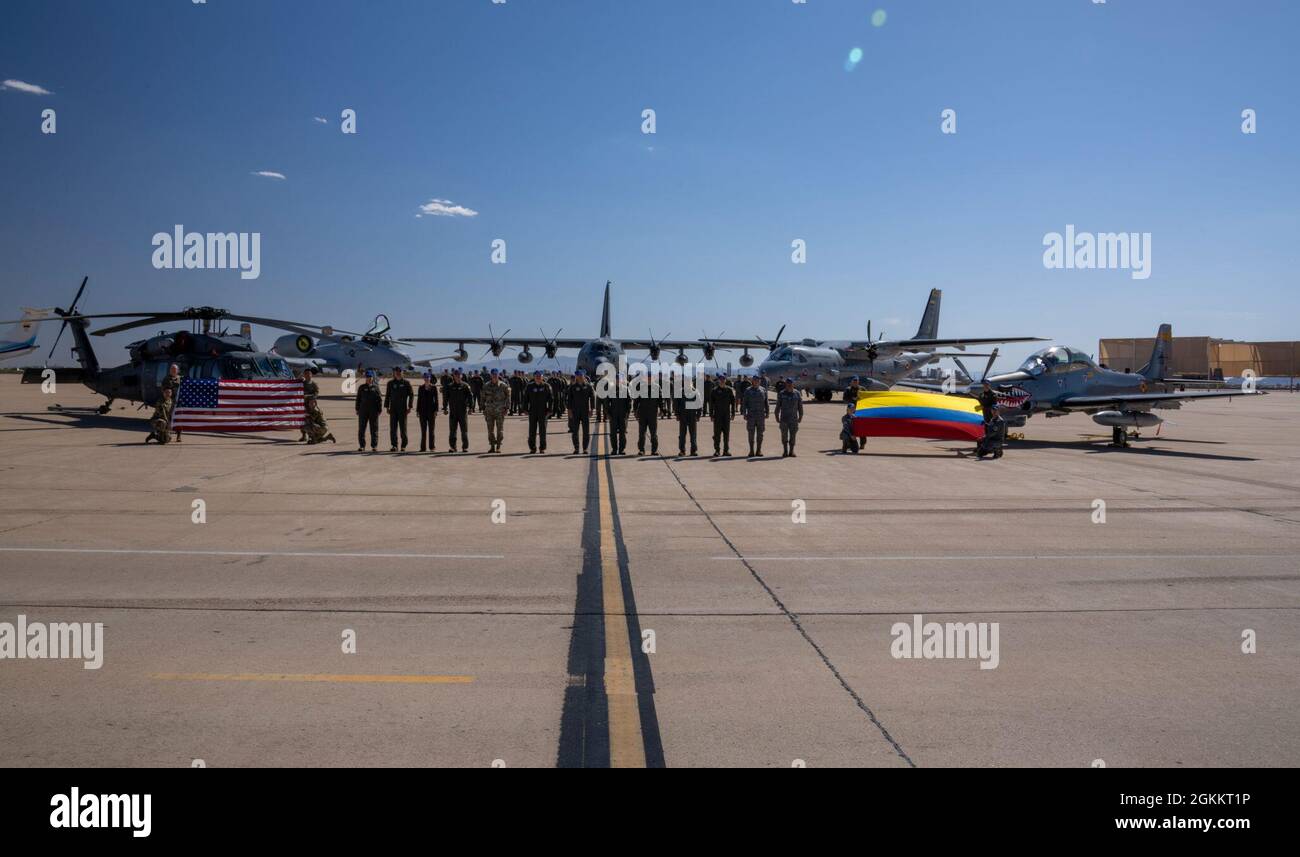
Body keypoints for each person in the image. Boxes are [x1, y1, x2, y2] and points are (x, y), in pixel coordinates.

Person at [302, 369, 335, 445]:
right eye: (306, 374)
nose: (308, 375)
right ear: (304, 375)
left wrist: (309, 397)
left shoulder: (314, 384)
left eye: (309, 374)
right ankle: (305, 435)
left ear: (311, 375)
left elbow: (316, 393)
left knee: (308, 422)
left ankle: (314, 437)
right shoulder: (302, 383)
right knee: (304, 420)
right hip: (305, 404)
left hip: (311, 403)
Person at [481, 367, 510, 453]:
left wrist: (507, 408)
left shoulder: (503, 386)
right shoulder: (486, 386)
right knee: (490, 430)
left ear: (498, 375)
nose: (494, 376)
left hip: (500, 411)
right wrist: (482, 408)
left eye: (496, 375)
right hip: (489, 411)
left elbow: (508, 397)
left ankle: (498, 446)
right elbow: (482, 397)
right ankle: (492, 446)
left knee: (500, 429)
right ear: (491, 375)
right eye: (493, 375)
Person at [524, 370, 554, 453]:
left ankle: (542, 448)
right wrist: (525, 409)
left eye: (540, 376)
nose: (538, 378)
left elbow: (551, 399)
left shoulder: (546, 386)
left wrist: (550, 410)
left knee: (542, 431)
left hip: (543, 411)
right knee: (532, 430)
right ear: (534, 377)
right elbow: (525, 399)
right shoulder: (529, 386)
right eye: (536, 376)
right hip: (532, 411)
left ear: (542, 377)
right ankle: (532, 448)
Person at [384, 367, 414, 452]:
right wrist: (387, 407)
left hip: (402, 409)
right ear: (394, 373)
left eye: (399, 372)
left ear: (402, 373)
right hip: (393, 409)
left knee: (403, 428)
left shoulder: (406, 383)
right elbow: (387, 395)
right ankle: (394, 445)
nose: (398, 373)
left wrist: (410, 406)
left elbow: (411, 395)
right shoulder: (390, 383)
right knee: (393, 428)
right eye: (396, 372)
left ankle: (403, 445)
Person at [567, 370, 596, 454]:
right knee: (575, 431)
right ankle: (576, 448)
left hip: (585, 411)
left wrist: (592, 409)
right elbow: (569, 400)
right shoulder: (572, 387)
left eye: (581, 375)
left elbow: (592, 397)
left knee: (586, 431)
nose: (579, 377)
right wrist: (569, 410)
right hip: (575, 411)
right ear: (576, 376)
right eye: (578, 375)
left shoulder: (588, 386)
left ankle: (585, 448)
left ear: (583, 376)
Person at [741, 374, 769, 457]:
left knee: (760, 434)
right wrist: (744, 413)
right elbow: (744, 403)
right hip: (751, 415)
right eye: (755, 380)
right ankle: (751, 451)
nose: (756, 381)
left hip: (761, 415)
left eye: (758, 380)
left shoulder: (763, 390)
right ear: (752, 381)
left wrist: (767, 412)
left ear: (759, 381)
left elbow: (766, 402)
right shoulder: (748, 390)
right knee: (751, 434)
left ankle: (759, 450)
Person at [445, 368, 473, 452]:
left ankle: (465, 447)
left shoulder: (465, 386)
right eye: (455, 375)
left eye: (459, 375)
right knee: (452, 431)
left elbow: (470, 397)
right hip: (453, 412)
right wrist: (445, 407)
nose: (457, 376)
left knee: (464, 430)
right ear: (453, 376)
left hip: (462, 411)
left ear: (461, 375)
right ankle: (453, 447)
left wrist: (471, 407)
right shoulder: (450, 386)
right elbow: (446, 397)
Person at [775, 377, 804, 457]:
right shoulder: (781, 393)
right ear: (786, 384)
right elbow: (778, 406)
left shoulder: (797, 393)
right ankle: (785, 451)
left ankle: (791, 451)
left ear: (793, 384)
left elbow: (800, 406)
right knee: (784, 436)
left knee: (793, 436)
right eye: (788, 383)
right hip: (784, 419)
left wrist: (800, 416)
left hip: (794, 419)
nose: (789, 385)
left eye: (791, 383)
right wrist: (776, 416)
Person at [355, 370, 383, 451]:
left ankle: (374, 446)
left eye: (370, 377)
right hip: (363, 411)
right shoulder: (361, 387)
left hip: (373, 411)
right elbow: (358, 399)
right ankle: (362, 446)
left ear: (372, 378)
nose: (369, 378)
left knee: (374, 429)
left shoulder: (376, 388)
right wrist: (357, 409)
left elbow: (379, 400)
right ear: (365, 378)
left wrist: (379, 409)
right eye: (367, 377)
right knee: (362, 429)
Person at [709, 374, 736, 456]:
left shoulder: (729, 390)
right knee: (717, 434)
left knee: (726, 434)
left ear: (725, 380)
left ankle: (726, 451)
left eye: (723, 379)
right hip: (717, 415)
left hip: (726, 415)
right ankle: (717, 450)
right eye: (720, 379)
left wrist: (733, 413)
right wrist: (711, 415)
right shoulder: (714, 391)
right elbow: (711, 404)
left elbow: (733, 402)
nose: (722, 381)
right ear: (718, 381)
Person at [674, 382, 701, 456]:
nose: (688, 384)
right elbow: (676, 403)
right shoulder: (680, 392)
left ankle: (693, 451)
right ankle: (682, 451)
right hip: (683, 416)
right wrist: (677, 414)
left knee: (693, 434)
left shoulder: (695, 392)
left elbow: (699, 403)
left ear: (691, 383)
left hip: (692, 416)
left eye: (689, 382)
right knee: (682, 434)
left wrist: (698, 415)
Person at [606, 378, 631, 455]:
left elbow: (629, 401)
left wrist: (628, 412)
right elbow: (607, 402)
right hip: (613, 415)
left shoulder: (625, 389)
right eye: (616, 380)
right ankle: (614, 449)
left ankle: (621, 449)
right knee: (613, 433)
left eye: (619, 380)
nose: (618, 381)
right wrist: (608, 413)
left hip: (622, 415)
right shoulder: (611, 389)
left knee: (622, 433)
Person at [416, 372, 439, 451]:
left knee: (431, 430)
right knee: (423, 430)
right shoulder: (421, 388)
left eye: (427, 377)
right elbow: (419, 400)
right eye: (425, 377)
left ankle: (432, 446)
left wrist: (436, 410)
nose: (426, 379)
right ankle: (423, 447)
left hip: (431, 411)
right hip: (422, 411)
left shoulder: (434, 388)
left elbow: (436, 400)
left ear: (430, 378)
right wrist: (417, 410)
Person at [634, 384, 659, 455]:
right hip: (642, 414)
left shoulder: (656, 387)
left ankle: (654, 450)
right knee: (641, 433)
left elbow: (660, 400)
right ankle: (641, 450)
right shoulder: (641, 387)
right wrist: (635, 411)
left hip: (652, 414)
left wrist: (662, 410)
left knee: (653, 433)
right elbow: (636, 400)